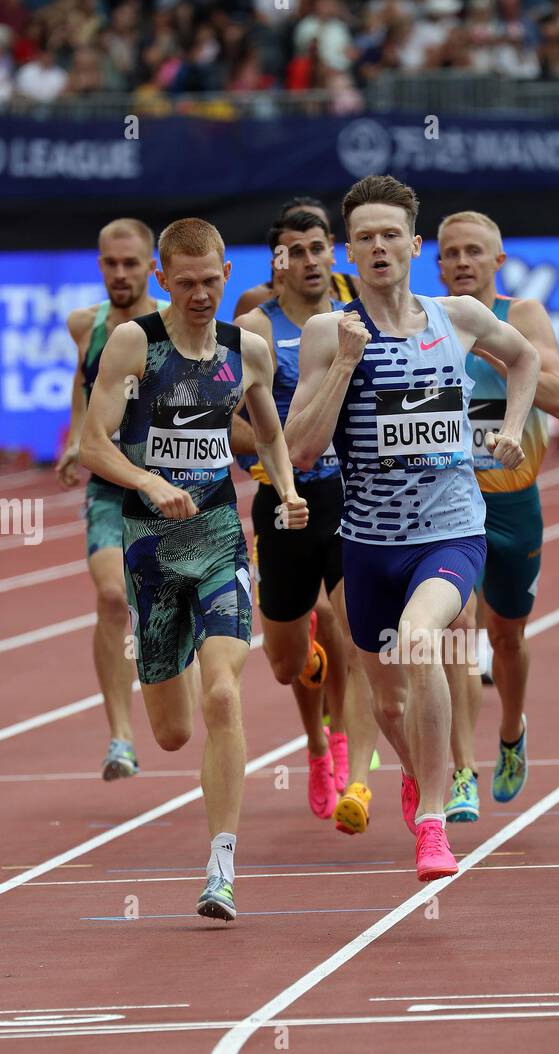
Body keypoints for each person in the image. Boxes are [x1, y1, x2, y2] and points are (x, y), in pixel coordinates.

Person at [285, 175, 539, 881]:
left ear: (413, 244)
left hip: (451, 532)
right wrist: (342, 365)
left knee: (424, 641)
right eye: (363, 237)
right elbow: (302, 450)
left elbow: (524, 359)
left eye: (390, 234)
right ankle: (412, 773)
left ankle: (432, 822)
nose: (378, 247)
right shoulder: (323, 333)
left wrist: (513, 428)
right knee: (388, 702)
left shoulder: (453, 317)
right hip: (367, 545)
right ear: (348, 251)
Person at [80, 218, 308, 920]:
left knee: (222, 696)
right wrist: (148, 483)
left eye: (211, 281)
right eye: (185, 284)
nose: (200, 294)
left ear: (226, 273)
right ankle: (159, 678)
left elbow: (267, 428)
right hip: (152, 550)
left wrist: (288, 487)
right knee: (175, 731)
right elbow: (94, 444)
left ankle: (221, 866)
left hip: (218, 541)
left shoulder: (249, 351)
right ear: (161, 279)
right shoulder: (134, 345)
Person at [232, 208, 378, 823]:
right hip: (283, 502)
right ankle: (316, 742)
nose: (311, 259)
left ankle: (350, 761)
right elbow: (228, 425)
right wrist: (272, 443)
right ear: (278, 262)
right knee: (287, 661)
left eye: (320, 247)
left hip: (349, 495)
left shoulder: (358, 315)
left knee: (358, 633)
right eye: (297, 250)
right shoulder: (252, 328)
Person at [436, 210, 559, 822]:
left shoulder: (523, 317)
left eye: (474, 252)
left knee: (507, 636)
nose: (462, 261)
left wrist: (498, 353)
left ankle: (511, 732)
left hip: (514, 500)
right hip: (445, 502)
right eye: (451, 253)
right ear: (437, 263)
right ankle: (461, 771)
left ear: (498, 261)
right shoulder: (426, 319)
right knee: (457, 627)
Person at [55, 219, 169, 779]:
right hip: (109, 486)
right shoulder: (86, 324)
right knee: (108, 596)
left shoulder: (168, 323)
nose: (120, 274)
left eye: (131, 264)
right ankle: (120, 738)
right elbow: (85, 392)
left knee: (166, 601)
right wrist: (77, 440)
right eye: (110, 264)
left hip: (169, 483)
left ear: (152, 266)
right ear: (99, 264)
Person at [232, 195, 358, 318]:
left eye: (317, 247)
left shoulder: (357, 291)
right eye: (297, 252)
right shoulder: (254, 304)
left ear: (329, 243)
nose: (310, 262)